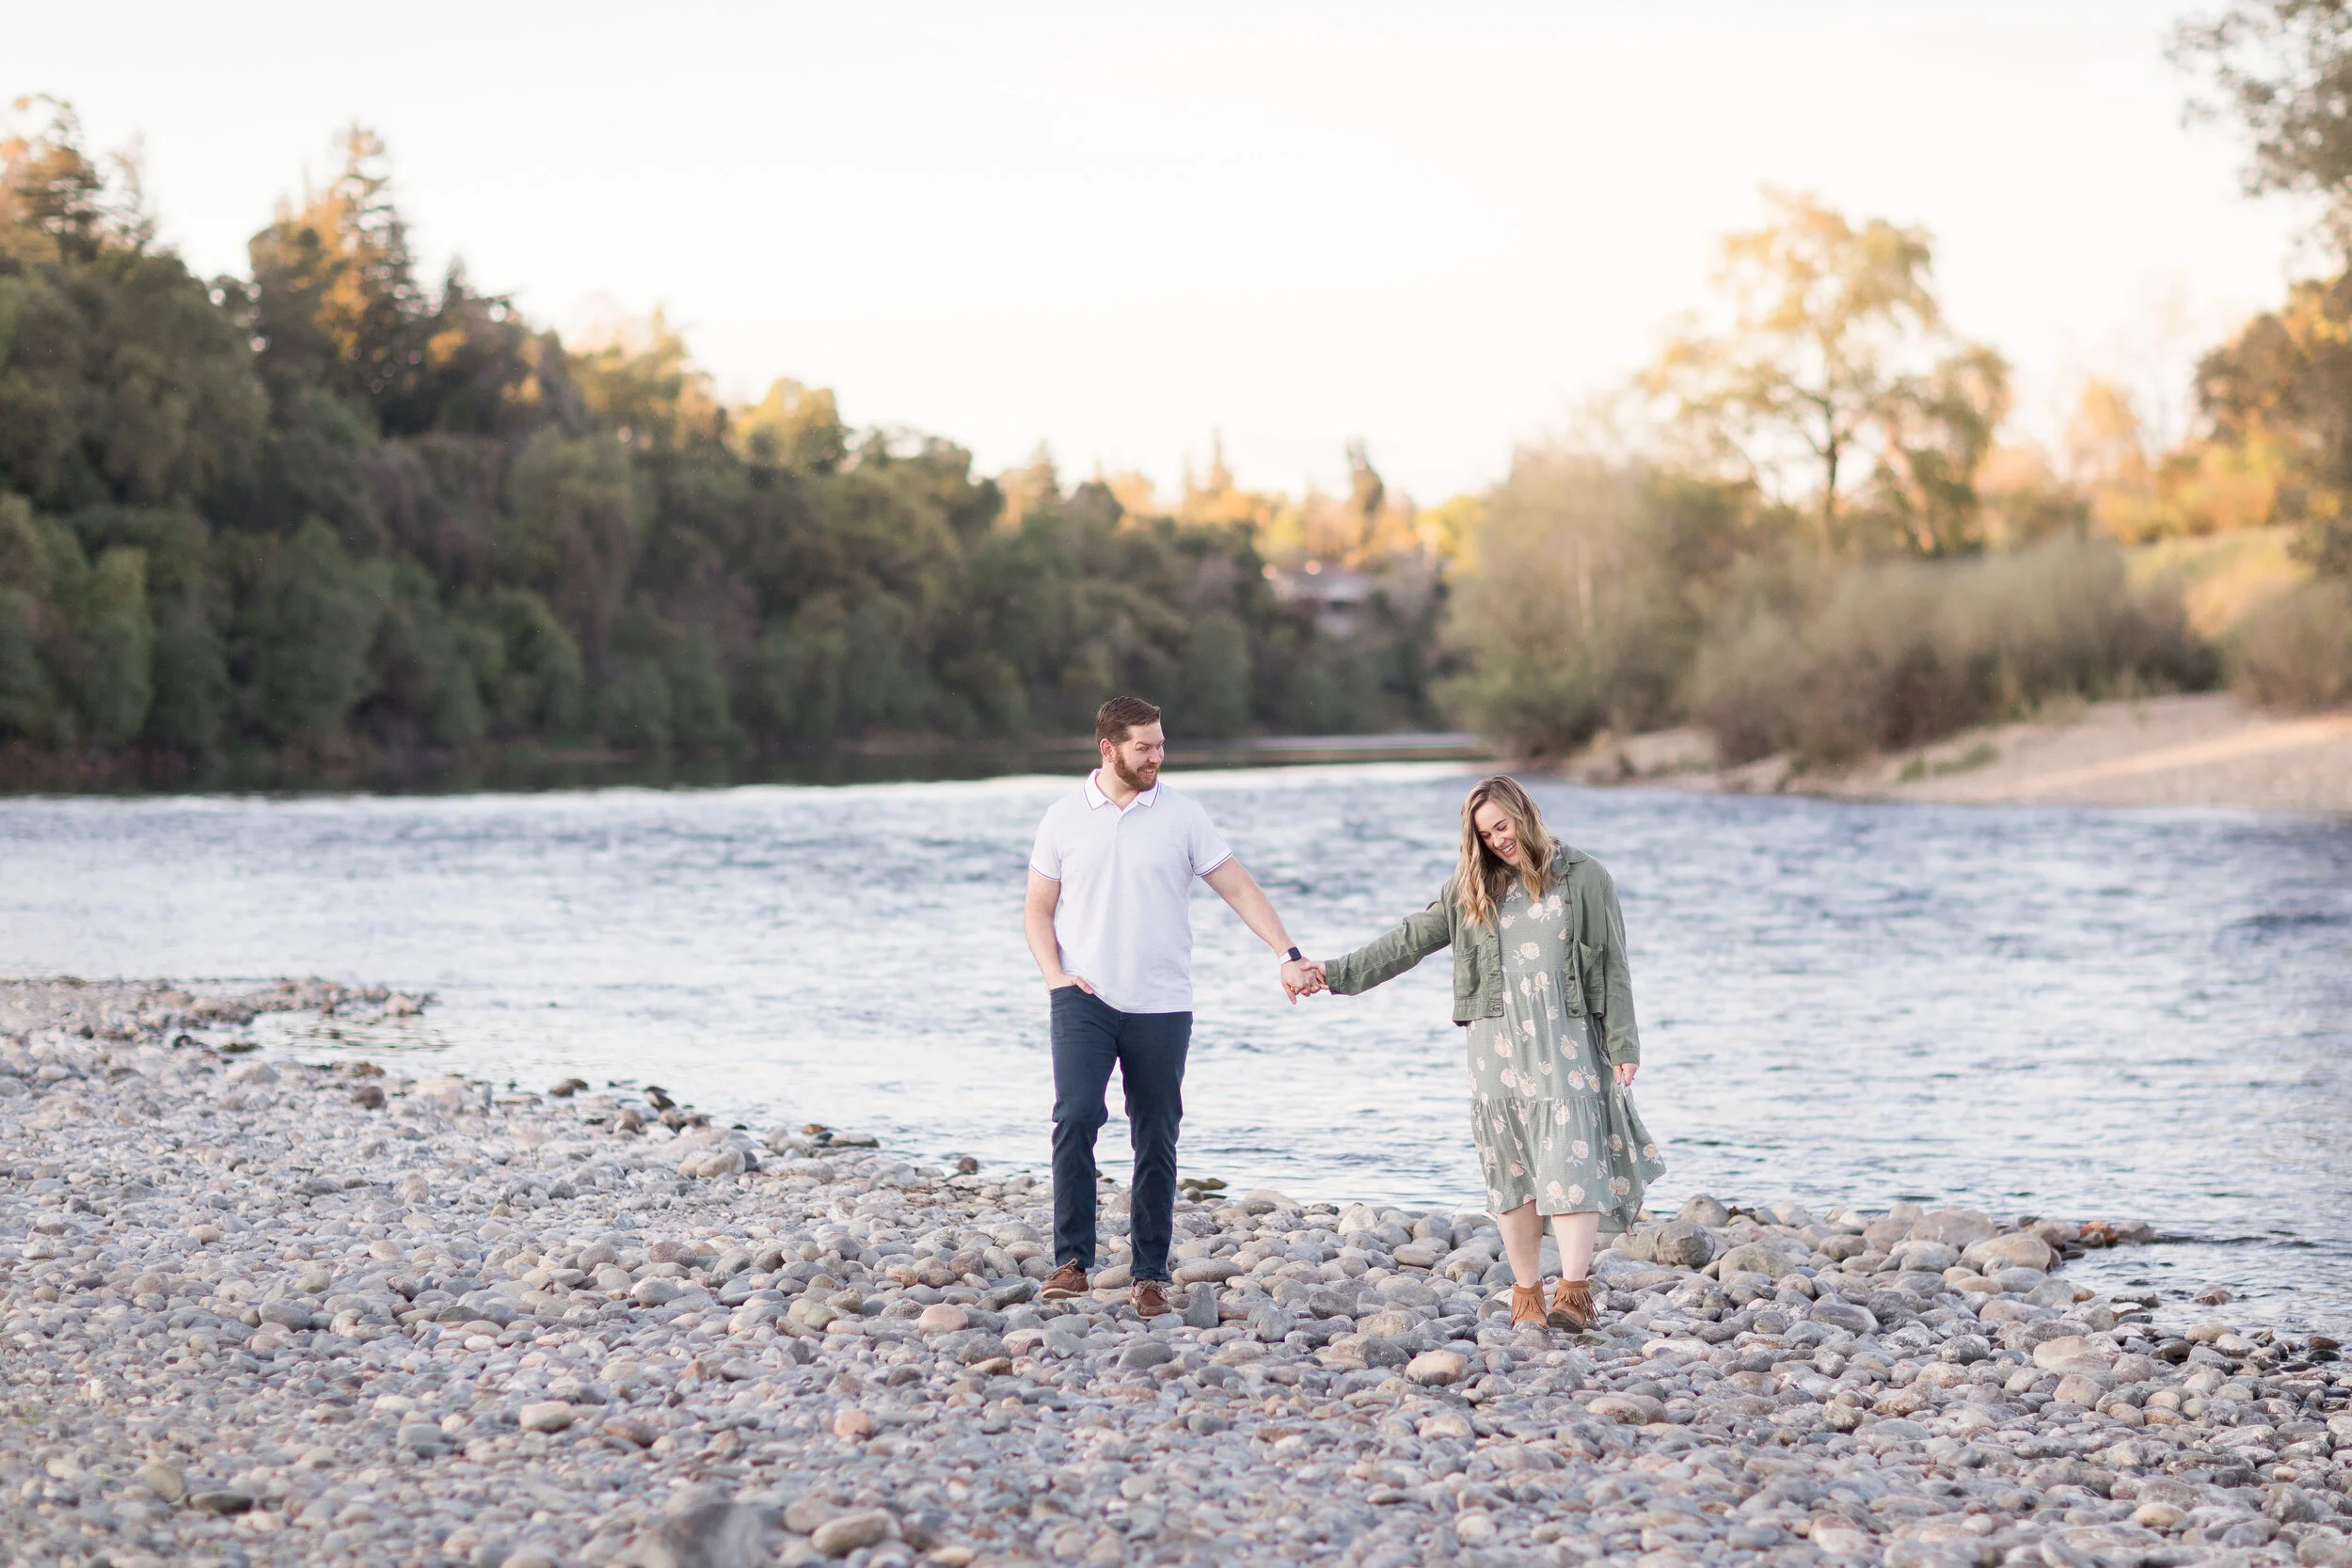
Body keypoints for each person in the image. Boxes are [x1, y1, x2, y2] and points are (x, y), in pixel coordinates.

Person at [1290, 775, 1662, 1332]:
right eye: (1486, 835)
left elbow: (1612, 963)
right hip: (1497, 1043)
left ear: (1525, 815)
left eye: (1502, 827)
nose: (1497, 841)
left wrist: (1624, 1040)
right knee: (1512, 1168)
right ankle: (1527, 1295)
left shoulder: (1586, 877)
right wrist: (1334, 974)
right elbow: (1408, 941)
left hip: (1568, 1036)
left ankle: (1575, 1292)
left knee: (1571, 1157)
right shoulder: (1470, 888)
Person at [1025, 696, 1321, 1318]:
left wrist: (1285, 951)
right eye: (1144, 747)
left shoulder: (1184, 815)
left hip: (1163, 1003)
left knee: (1156, 1135)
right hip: (1084, 998)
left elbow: (1238, 886)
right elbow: (1037, 909)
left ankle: (1150, 1275)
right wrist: (1055, 977)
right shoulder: (1062, 817)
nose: (1158, 755)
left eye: (1161, 744)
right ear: (1108, 748)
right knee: (1076, 1117)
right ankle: (1072, 1262)